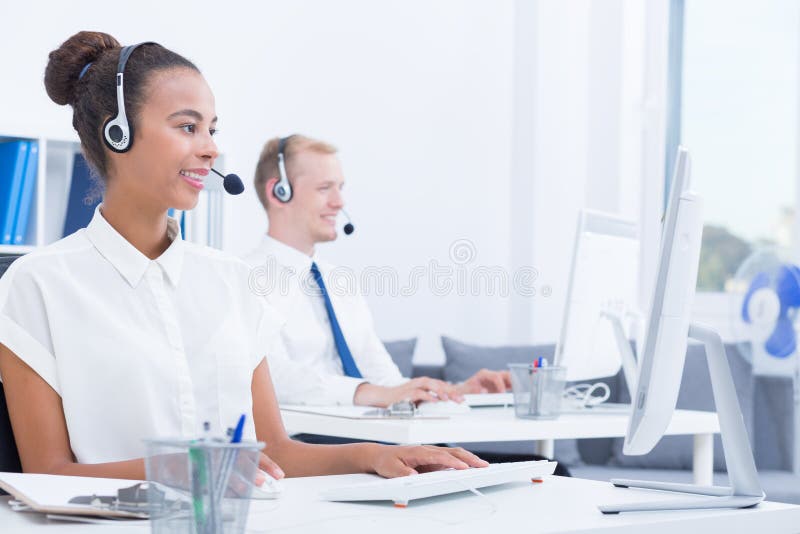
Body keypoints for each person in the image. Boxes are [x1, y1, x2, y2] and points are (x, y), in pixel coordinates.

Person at [0, 32, 488, 482]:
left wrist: (373, 455)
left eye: (211, 129)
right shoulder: (37, 284)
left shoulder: (231, 281)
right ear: (117, 135)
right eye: (188, 127)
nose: (210, 149)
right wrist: (178, 468)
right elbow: (46, 472)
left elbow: (275, 451)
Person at [243, 135, 511, 408]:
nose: (339, 202)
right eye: (325, 188)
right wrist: (366, 394)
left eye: (340, 188)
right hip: (304, 441)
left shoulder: (339, 282)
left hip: (364, 435)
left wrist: (454, 392)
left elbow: (385, 380)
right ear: (279, 192)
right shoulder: (245, 279)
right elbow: (272, 377)